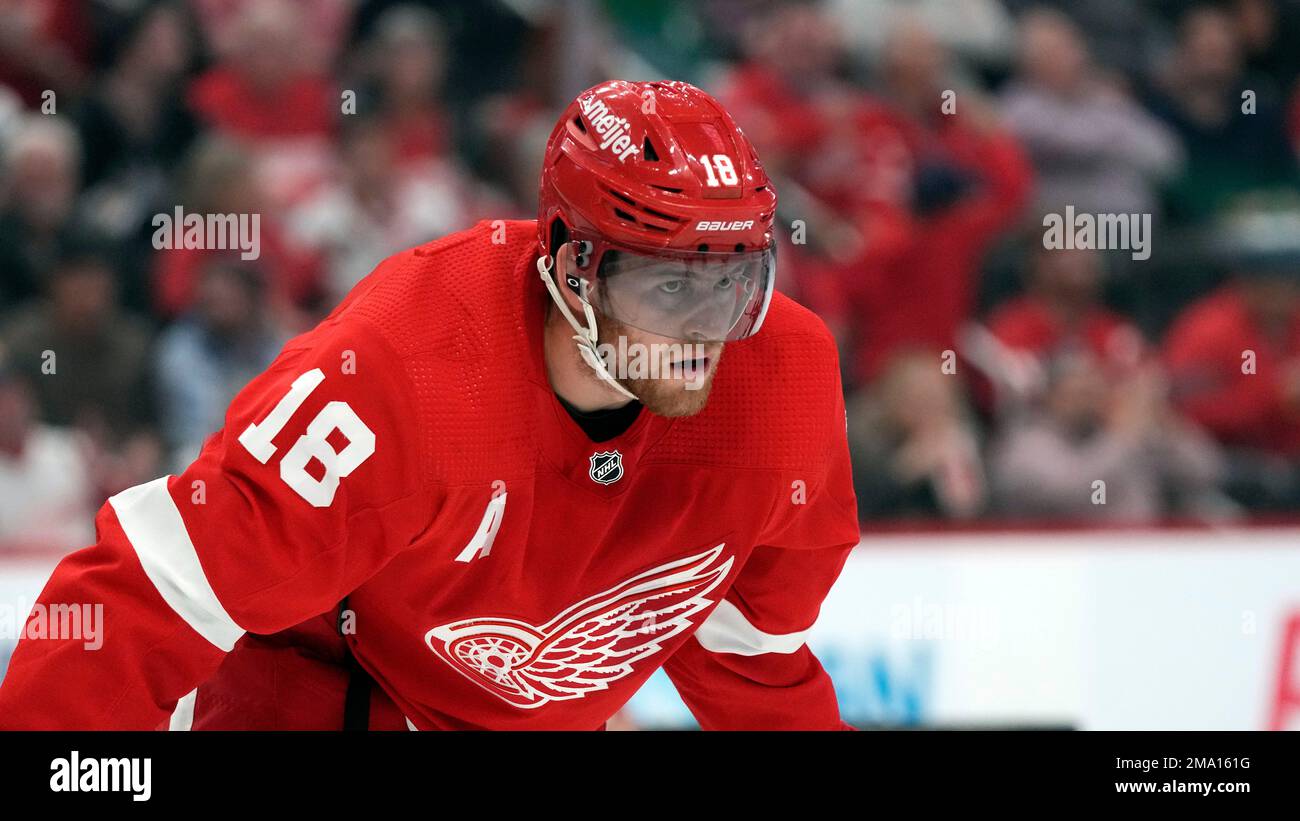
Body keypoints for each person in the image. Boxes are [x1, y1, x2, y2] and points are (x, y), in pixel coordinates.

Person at [0, 81, 861, 731]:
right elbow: (156, 589)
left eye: (733, 281)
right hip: (319, 678)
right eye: (672, 284)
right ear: (571, 261)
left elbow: (749, 653)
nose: (706, 333)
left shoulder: (785, 378)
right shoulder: (397, 372)